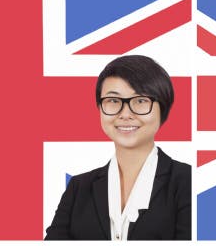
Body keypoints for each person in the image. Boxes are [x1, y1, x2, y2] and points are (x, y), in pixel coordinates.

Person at [45, 55, 190, 240]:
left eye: (140, 100)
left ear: (162, 107)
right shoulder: (79, 187)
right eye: (113, 101)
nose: (125, 114)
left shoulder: (189, 182)